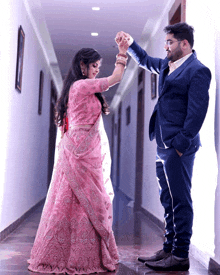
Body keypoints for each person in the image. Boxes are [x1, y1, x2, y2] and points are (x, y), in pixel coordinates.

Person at [115, 22, 211, 271]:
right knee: (167, 200)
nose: (166, 46)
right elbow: (146, 60)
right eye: (166, 42)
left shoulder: (198, 71)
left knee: (180, 201)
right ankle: (169, 248)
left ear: (185, 44)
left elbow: (197, 113)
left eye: (169, 42)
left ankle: (180, 255)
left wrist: (179, 145)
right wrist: (131, 44)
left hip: (178, 148)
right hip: (162, 146)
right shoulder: (169, 66)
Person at [28, 43, 128, 274]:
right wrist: (122, 51)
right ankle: (74, 258)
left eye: (98, 67)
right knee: (80, 203)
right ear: (82, 66)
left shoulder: (77, 87)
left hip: (82, 150)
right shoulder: (81, 85)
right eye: (94, 66)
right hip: (80, 151)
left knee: (79, 202)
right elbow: (115, 78)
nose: (96, 71)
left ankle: (79, 255)